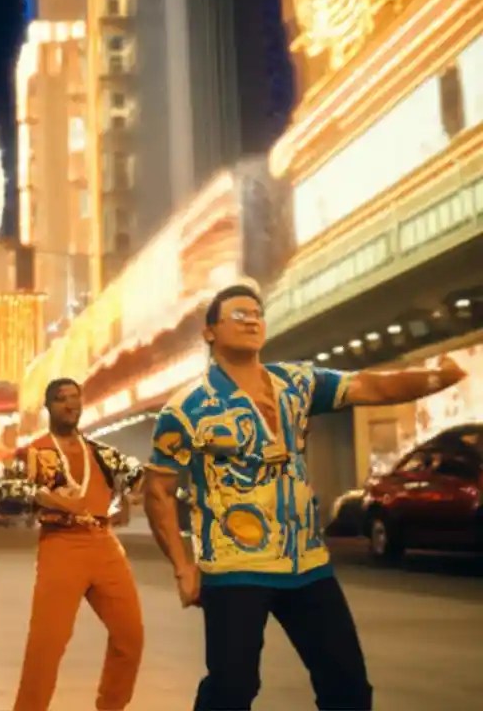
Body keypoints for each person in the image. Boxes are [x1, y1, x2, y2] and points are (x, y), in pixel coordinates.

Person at [142, 283, 467, 711]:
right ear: (209, 332)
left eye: (256, 313)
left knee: (348, 687)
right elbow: (158, 491)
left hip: (307, 564)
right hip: (234, 569)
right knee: (232, 691)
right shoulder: (187, 408)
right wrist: (183, 567)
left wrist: (436, 378)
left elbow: (370, 387)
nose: (251, 320)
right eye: (238, 314)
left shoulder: (297, 383)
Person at [13, 378, 145, 711]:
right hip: (61, 545)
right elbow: (23, 492)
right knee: (46, 645)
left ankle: (111, 706)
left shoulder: (100, 452)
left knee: (130, 636)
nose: (71, 404)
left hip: (104, 544)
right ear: (48, 407)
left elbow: (139, 475)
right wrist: (51, 500)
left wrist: (128, 498)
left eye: (75, 397)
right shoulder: (37, 450)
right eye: (62, 399)